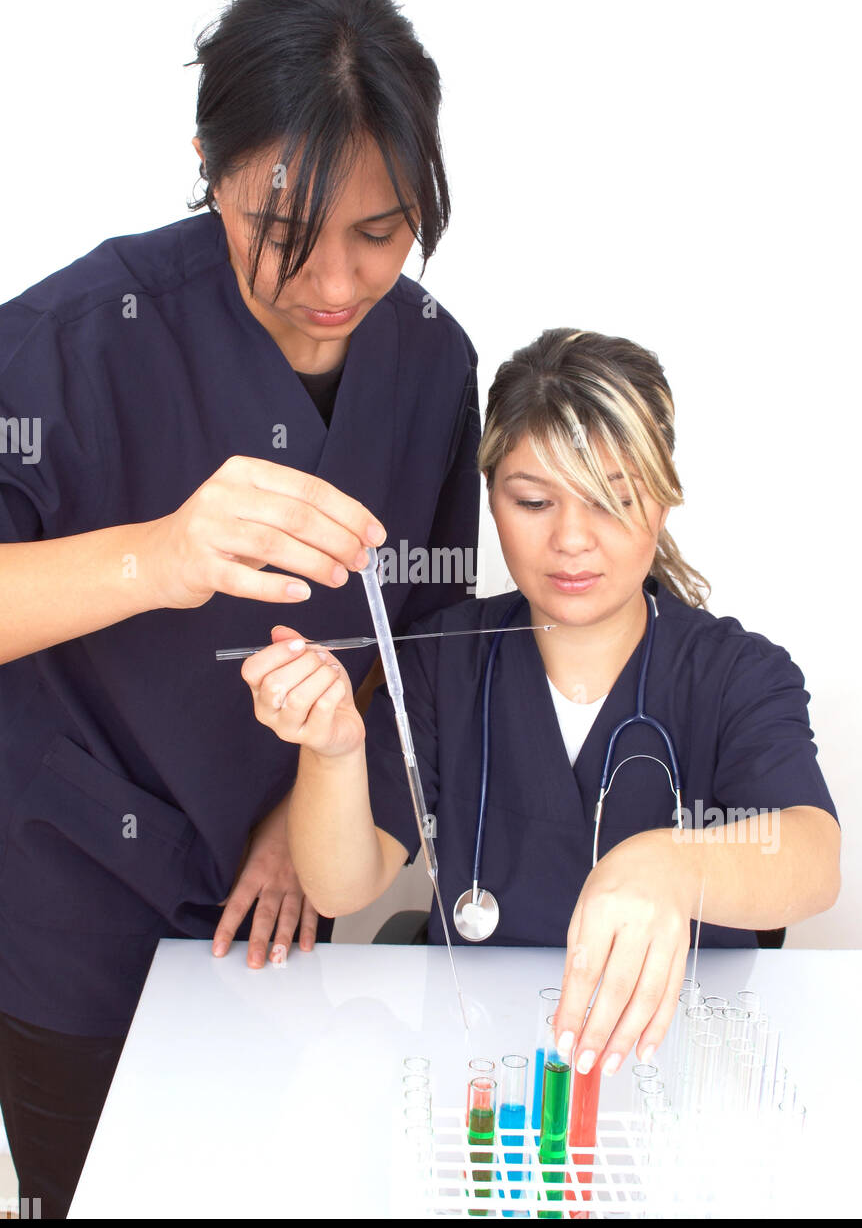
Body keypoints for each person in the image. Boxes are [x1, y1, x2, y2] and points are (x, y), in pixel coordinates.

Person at [0, 0, 480, 1217]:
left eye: (381, 234)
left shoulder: (431, 360)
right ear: (209, 175)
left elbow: (423, 640)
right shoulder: (68, 344)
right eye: (286, 232)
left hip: (290, 903)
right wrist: (157, 556)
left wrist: (314, 799)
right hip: (74, 907)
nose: (336, 285)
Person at [243, 327, 841, 1080]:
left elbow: (815, 859)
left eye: (612, 500)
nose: (571, 540)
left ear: (661, 501)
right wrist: (331, 752)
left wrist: (665, 865)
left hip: (681, 1068)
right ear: (491, 497)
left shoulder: (733, 673)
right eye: (533, 500)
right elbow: (343, 884)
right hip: (484, 1073)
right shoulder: (441, 662)